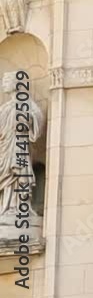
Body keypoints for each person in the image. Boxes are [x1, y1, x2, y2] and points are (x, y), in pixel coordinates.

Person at [0, 72, 44, 220]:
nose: (3, 83)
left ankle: (18, 206)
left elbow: (37, 118)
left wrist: (25, 118)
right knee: (7, 178)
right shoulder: (5, 107)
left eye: (7, 80)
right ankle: (6, 207)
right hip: (5, 147)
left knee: (19, 173)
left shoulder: (27, 103)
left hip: (19, 145)